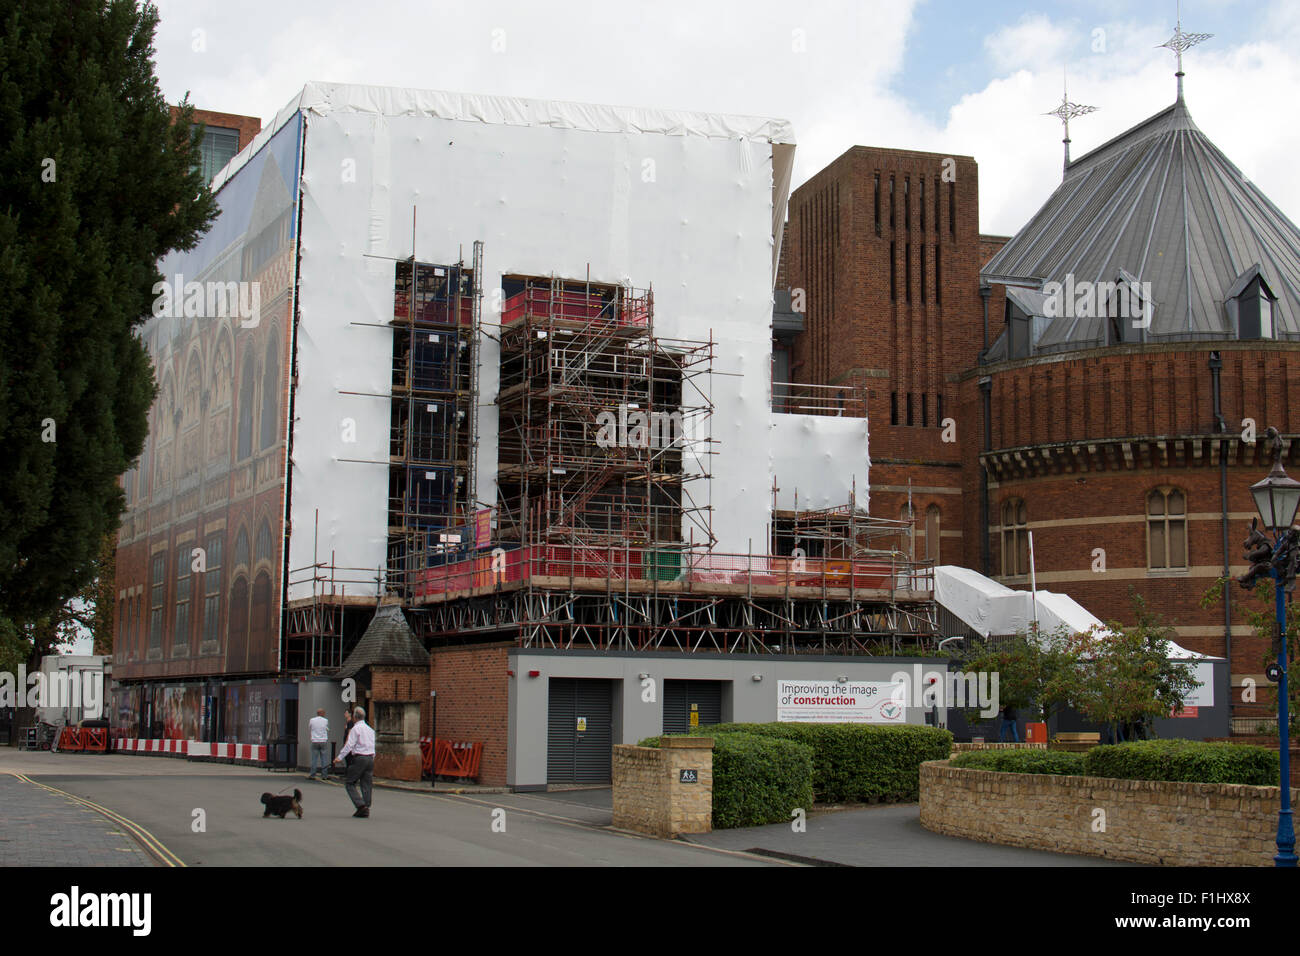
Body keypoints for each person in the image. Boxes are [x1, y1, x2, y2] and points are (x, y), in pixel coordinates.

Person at [334, 707, 375, 818]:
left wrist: (339, 757)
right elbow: (373, 746)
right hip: (370, 758)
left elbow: (350, 744)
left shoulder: (355, 729)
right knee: (366, 784)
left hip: (360, 758)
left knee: (350, 782)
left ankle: (361, 806)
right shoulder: (370, 730)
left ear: (355, 717)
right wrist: (372, 758)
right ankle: (366, 806)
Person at [307, 709, 329, 780]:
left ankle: (312, 774)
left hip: (315, 741)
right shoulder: (325, 720)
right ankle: (324, 775)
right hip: (323, 741)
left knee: (314, 759)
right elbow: (327, 728)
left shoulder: (312, 720)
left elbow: (310, 727)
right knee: (324, 759)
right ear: (322, 713)